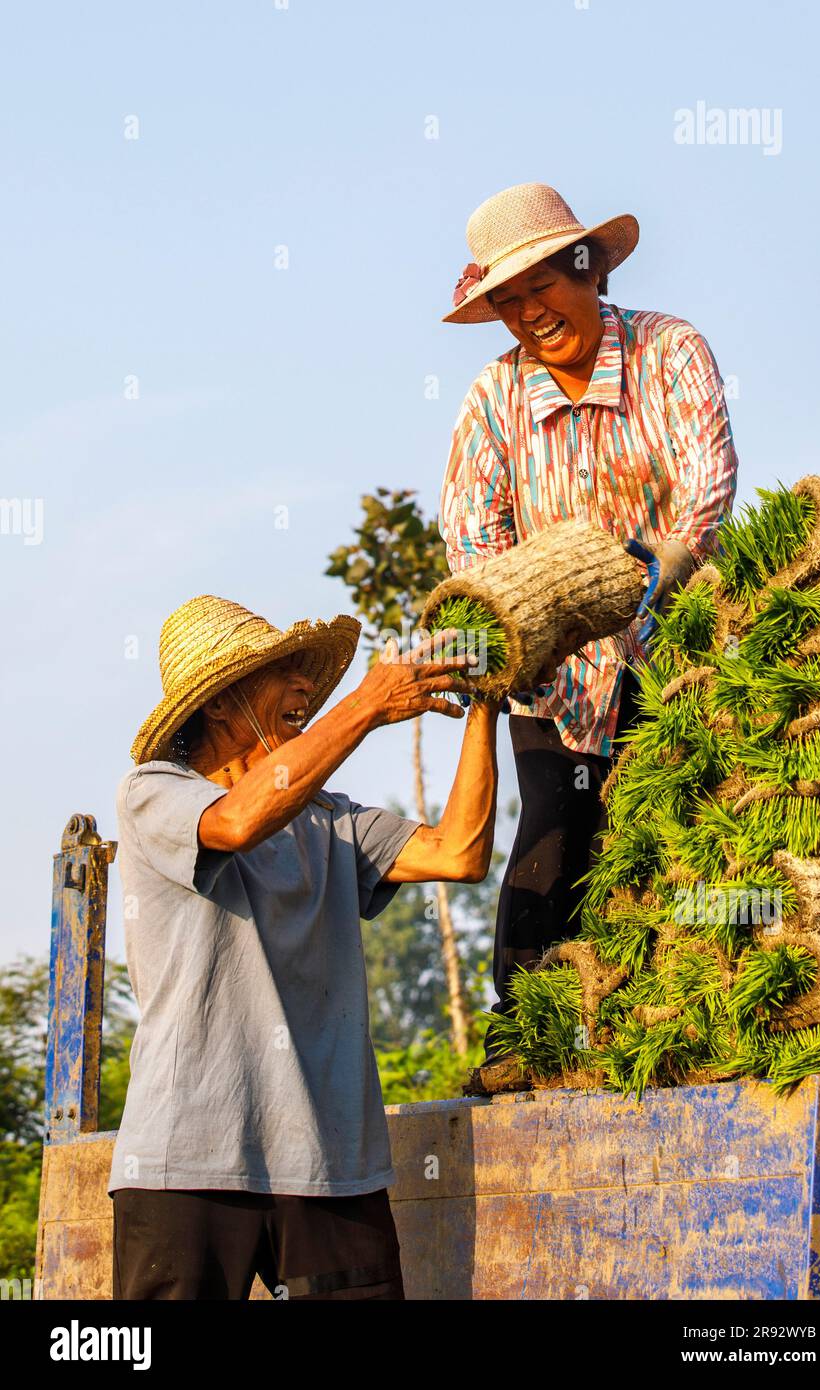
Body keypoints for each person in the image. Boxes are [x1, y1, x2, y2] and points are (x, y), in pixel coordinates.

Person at [109, 594, 498, 1300]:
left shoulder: (332, 821)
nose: (307, 690)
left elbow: (461, 852)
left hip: (328, 1160)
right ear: (223, 703)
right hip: (184, 1159)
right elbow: (233, 823)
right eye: (283, 674)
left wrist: (488, 707)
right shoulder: (154, 794)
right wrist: (369, 705)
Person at [438, 183, 738, 1078]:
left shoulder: (668, 351)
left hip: (675, 652)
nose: (533, 316)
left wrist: (644, 577)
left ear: (592, 268)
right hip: (553, 671)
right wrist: (523, 620)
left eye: (547, 289)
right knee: (553, 837)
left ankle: (681, 1029)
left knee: (679, 837)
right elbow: (472, 534)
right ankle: (525, 1042)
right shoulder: (495, 395)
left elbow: (706, 489)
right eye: (511, 302)